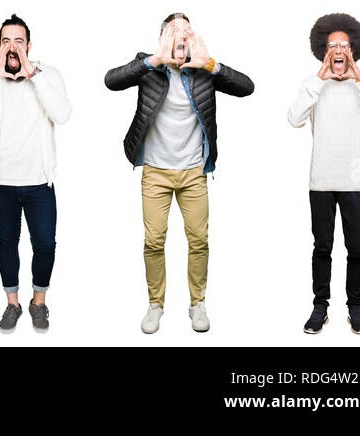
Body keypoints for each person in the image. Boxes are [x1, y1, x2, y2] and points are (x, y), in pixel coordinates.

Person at [104, 13, 253, 334]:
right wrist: (154, 60)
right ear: (162, 38)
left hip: (194, 173)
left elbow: (247, 88)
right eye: (174, 30)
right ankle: (155, 304)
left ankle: (197, 303)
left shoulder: (203, 69)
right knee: (153, 241)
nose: (182, 35)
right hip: (155, 173)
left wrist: (210, 64)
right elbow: (111, 80)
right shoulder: (148, 66)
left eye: (187, 30)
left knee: (199, 240)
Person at [0, 14, 70, 334]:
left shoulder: (49, 75)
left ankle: (38, 302)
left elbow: (62, 114)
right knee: (7, 241)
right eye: (6, 41)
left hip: (39, 182)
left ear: (29, 46)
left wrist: (33, 74)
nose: (12, 46)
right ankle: (12, 303)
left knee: (45, 244)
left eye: (18, 41)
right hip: (1, 182)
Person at [287, 13, 360, 335]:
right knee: (322, 248)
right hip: (321, 181)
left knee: (357, 247)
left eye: (344, 45)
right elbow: (294, 119)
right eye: (332, 45)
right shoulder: (313, 84)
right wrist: (320, 78)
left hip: (355, 181)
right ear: (323, 50)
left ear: (354, 49)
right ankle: (320, 307)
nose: (338, 50)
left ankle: (355, 308)